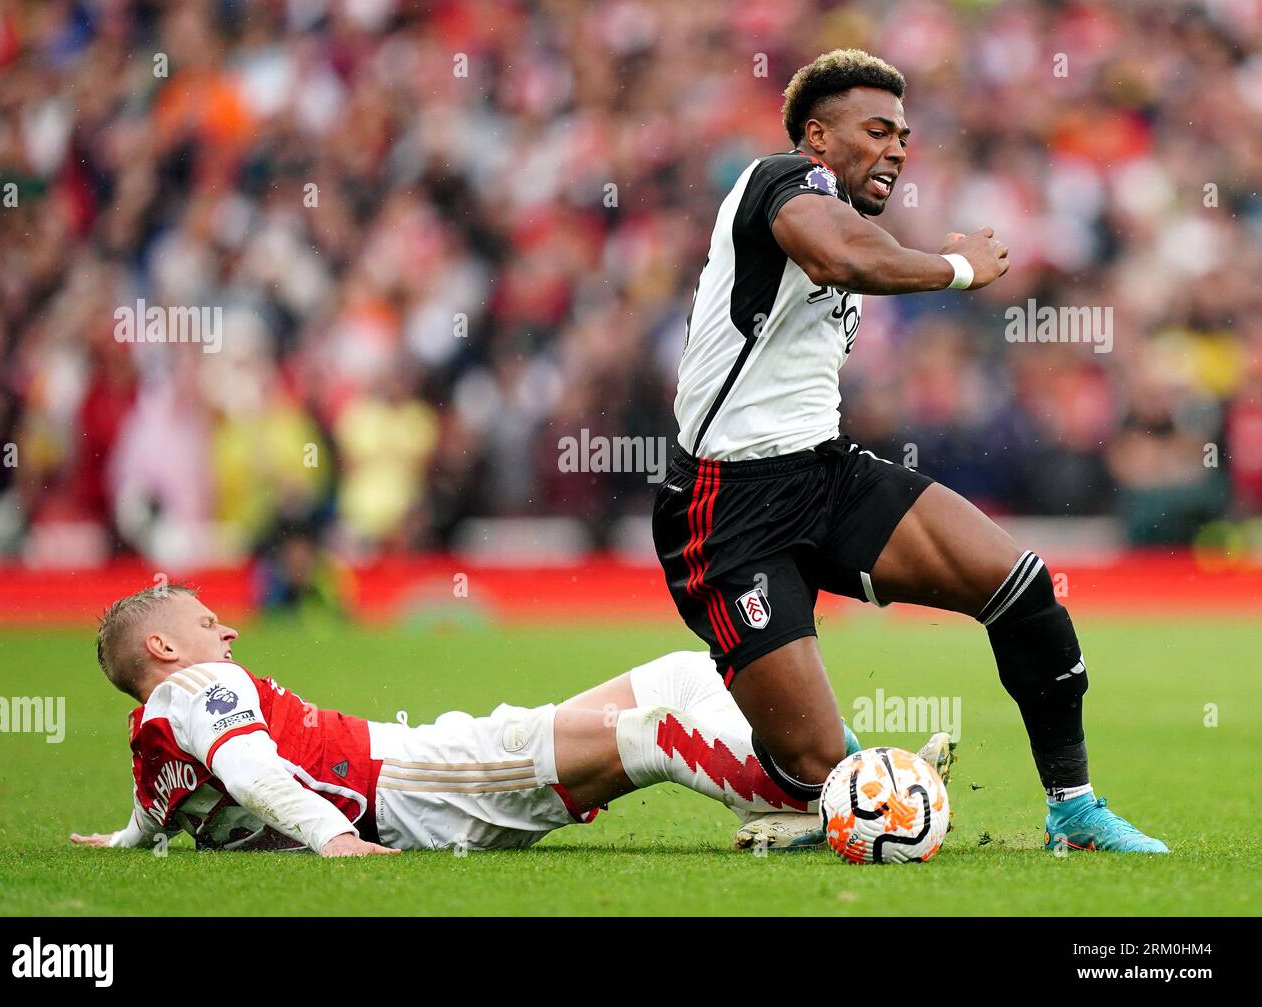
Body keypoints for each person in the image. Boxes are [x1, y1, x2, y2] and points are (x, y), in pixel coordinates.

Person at [652, 49, 1165, 853]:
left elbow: (852, 259)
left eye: (905, 135)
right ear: (817, 138)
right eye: (878, 130)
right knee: (818, 761)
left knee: (1023, 590)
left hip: (821, 472)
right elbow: (839, 257)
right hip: (725, 509)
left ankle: (1074, 810)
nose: (897, 148)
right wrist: (962, 267)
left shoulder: (849, 217)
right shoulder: (782, 181)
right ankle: (785, 761)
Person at [69, 584, 954, 856]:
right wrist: (334, 842)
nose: (226, 629)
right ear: (164, 648)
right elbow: (258, 773)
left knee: (685, 671)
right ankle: (843, 805)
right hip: (410, 789)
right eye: (201, 622)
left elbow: (160, 808)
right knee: (650, 733)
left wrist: (121, 842)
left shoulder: (156, 728)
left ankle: (850, 782)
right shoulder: (201, 690)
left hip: (418, 764)